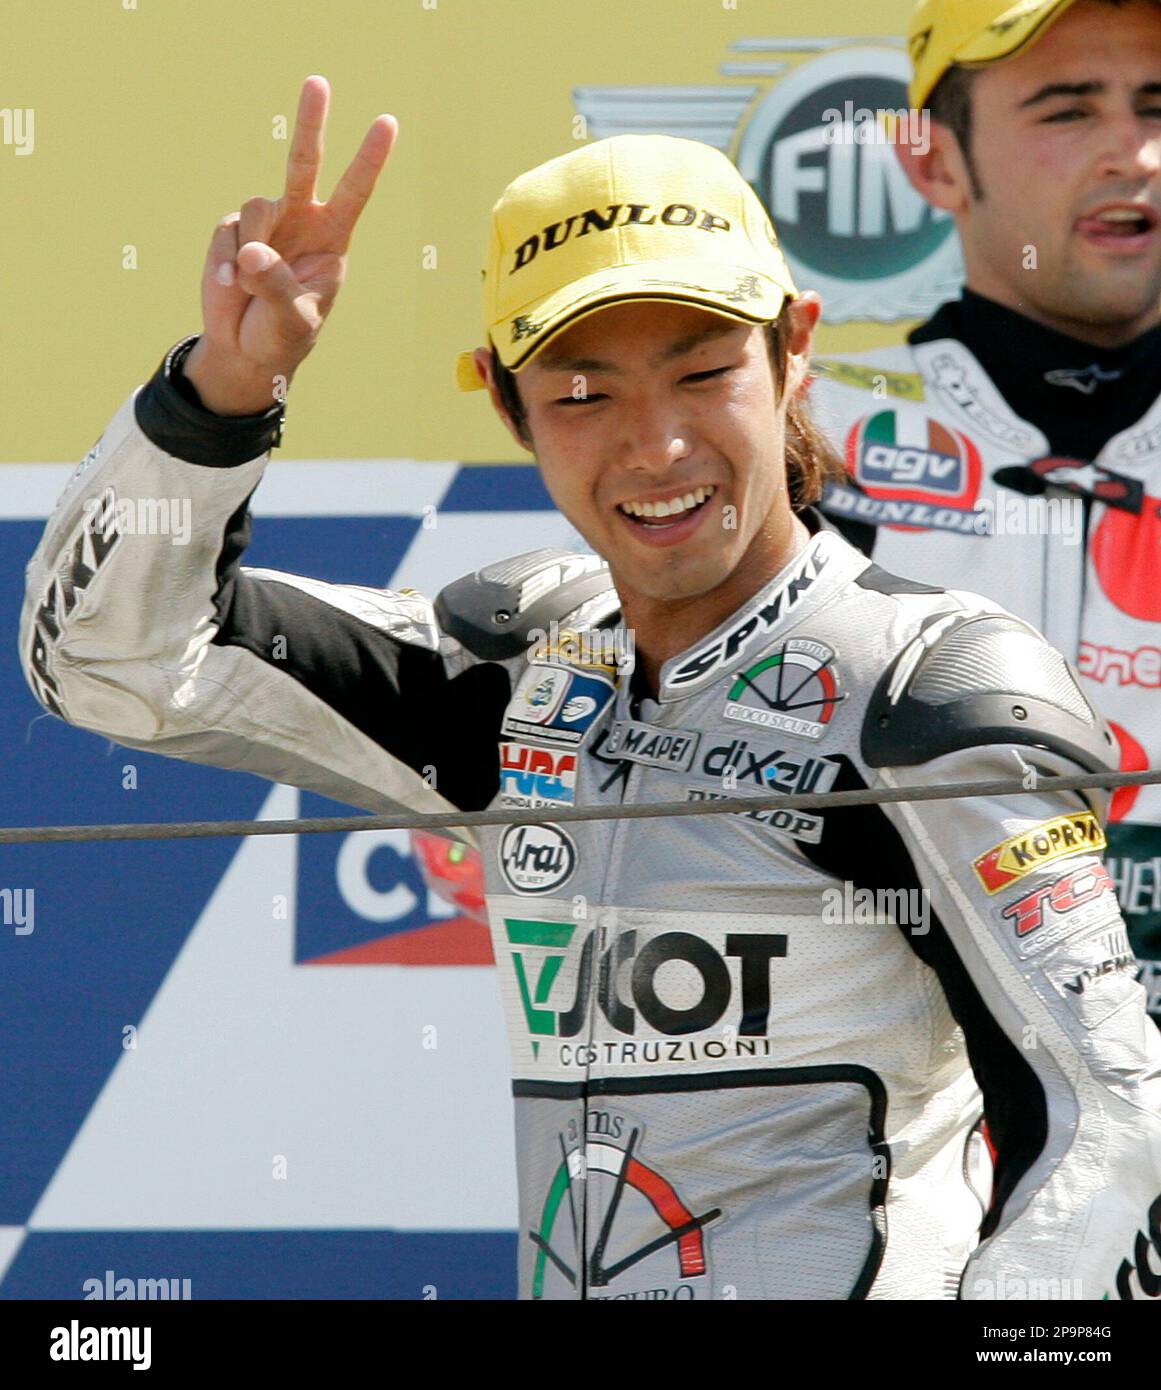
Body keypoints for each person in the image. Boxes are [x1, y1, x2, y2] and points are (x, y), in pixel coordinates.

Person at [20, 76, 1161, 1301]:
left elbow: (1111, 1120)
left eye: (702, 370)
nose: (655, 445)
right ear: (507, 405)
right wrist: (219, 397)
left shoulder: (926, 686)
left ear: (794, 351)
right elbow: (111, 664)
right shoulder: (522, 670)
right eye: (581, 392)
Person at [811, 0, 1161, 1027]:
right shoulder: (811, 438)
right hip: (907, 1125)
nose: (1132, 153)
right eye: (1067, 111)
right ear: (932, 162)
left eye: (1156, 104)